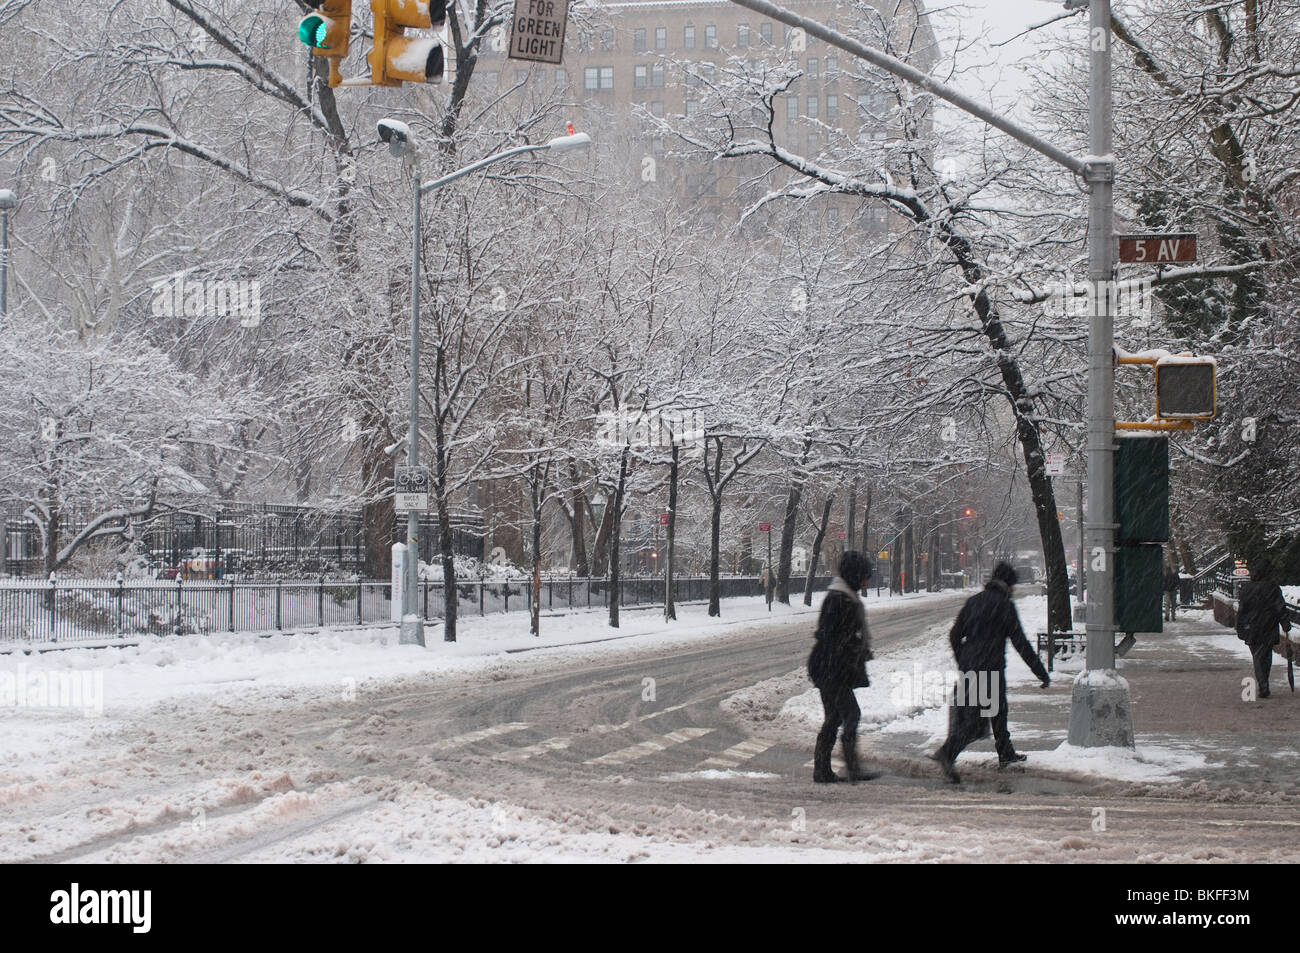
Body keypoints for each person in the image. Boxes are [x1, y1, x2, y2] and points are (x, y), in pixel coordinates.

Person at [932, 562, 1050, 784]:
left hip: (973, 668)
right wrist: (1040, 672)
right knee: (976, 722)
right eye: (1013, 586)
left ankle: (1005, 753)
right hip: (990, 669)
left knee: (998, 712)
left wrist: (964, 659)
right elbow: (1020, 643)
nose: (1013, 590)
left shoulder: (973, 602)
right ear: (1007, 584)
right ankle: (948, 753)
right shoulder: (1004, 606)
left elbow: (954, 635)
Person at [807, 551, 875, 783]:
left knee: (835, 717)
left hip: (829, 666)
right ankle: (849, 768)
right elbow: (834, 637)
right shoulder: (840, 599)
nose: (867, 581)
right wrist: (853, 649)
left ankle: (823, 769)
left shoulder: (844, 597)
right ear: (854, 575)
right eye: (864, 576)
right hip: (830, 668)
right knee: (849, 714)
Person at [1236, 558, 1291, 699]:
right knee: (1266, 656)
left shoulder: (1247, 588)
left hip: (1252, 627)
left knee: (1258, 656)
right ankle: (1264, 683)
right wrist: (1285, 624)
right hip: (1268, 626)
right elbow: (1280, 607)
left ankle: (1263, 684)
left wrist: (1240, 627)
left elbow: (1242, 610)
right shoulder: (1272, 588)